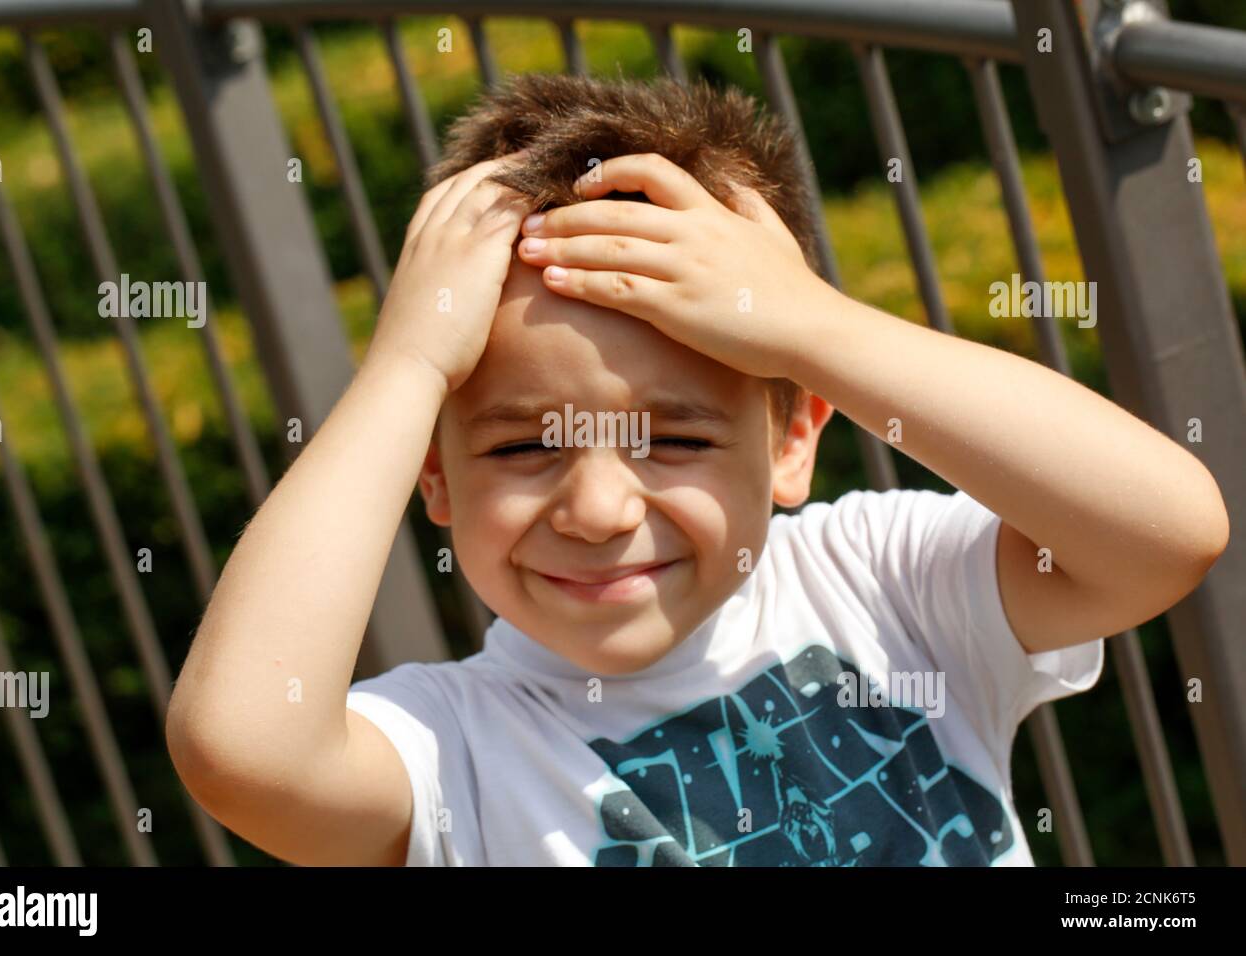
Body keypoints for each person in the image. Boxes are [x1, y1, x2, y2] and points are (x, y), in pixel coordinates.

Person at [164, 73, 1229, 866]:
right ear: (430, 473)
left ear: (793, 438)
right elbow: (241, 744)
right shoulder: (453, 753)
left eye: (672, 439)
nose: (593, 507)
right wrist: (405, 368)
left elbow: (1163, 531)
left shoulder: (878, 583)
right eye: (520, 444)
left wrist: (816, 326)